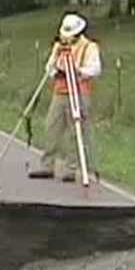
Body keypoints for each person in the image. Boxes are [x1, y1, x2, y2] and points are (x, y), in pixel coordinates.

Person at [28, 12, 101, 182]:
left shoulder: (89, 47)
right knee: (51, 127)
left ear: (78, 33)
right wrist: (56, 70)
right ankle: (47, 165)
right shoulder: (59, 47)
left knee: (75, 132)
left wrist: (78, 72)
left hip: (79, 92)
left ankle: (71, 169)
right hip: (60, 92)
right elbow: (49, 68)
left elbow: (95, 69)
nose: (67, 38)